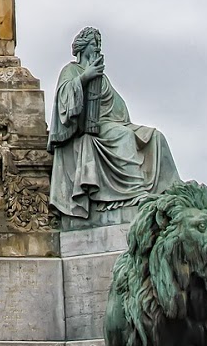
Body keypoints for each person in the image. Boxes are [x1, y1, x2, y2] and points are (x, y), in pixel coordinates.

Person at [47, 27, 179, 220]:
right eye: (94, 44)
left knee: (155, 137)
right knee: (124, 136)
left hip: (113, 123)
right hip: (91, 127)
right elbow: (64, 100)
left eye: (99, 44)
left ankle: (171, 192)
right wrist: (85, 77)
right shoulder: (71, 70)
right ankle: (135, 192)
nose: (98, 48)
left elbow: (116, 105)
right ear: (83, 48)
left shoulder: (103, 76)